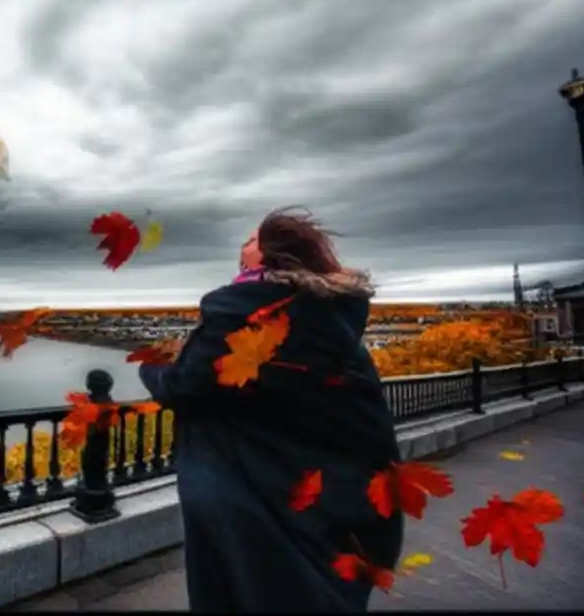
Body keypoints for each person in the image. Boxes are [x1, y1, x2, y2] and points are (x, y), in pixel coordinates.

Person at [139, 206, 403, 612]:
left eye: (251, 239)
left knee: (248, 589)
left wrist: (151, 368)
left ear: (269, 255)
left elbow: (186, 384)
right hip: (333, 496)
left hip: (251, 496)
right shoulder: (333, 321)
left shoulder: (245, 312)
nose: (242, 245)